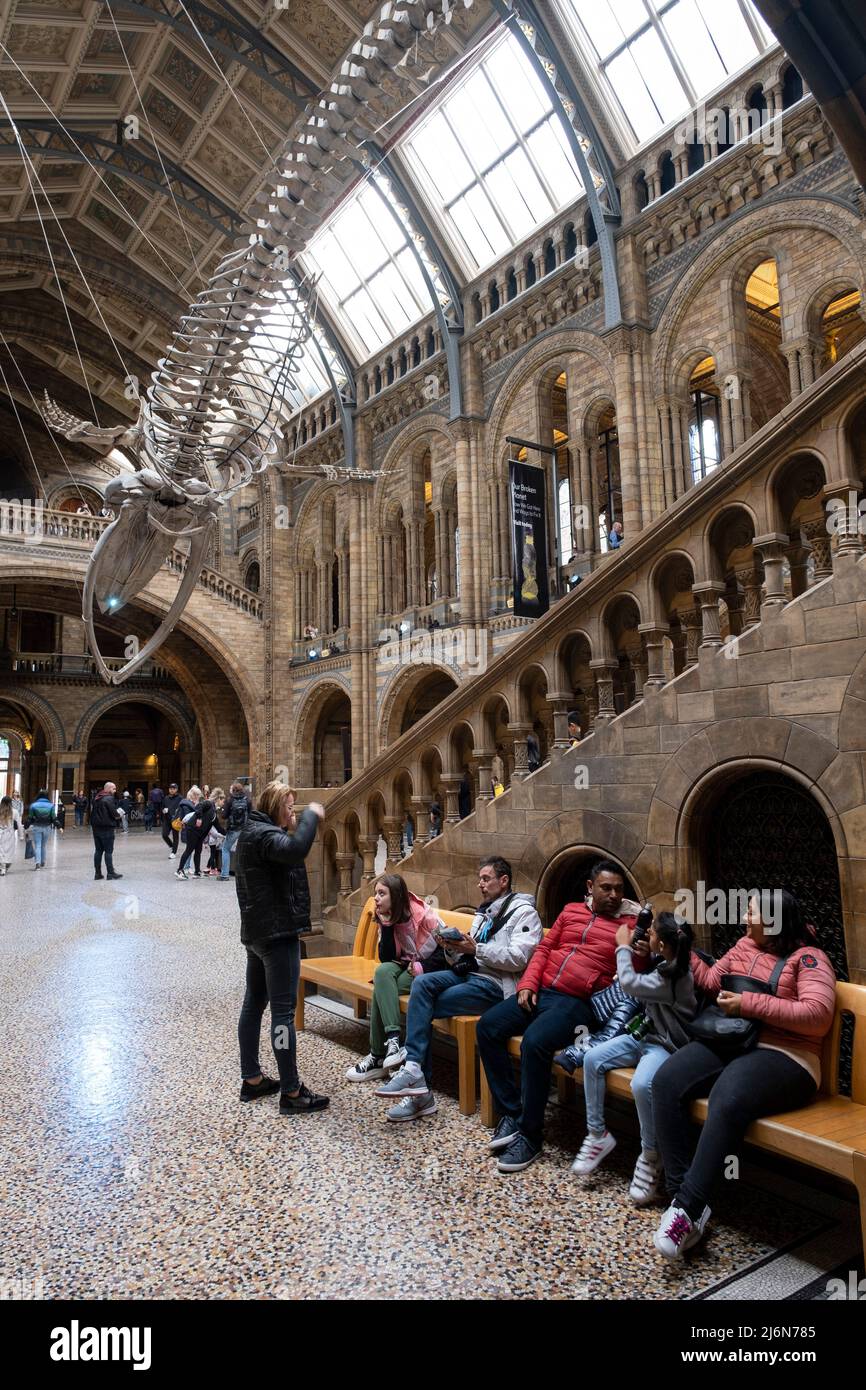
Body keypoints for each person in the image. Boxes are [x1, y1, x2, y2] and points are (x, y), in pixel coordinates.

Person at [651, 889, 836, 1259]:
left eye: (751, 913)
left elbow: (818, 1016)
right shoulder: (743, 945)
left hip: (787, 1054)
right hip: (735, 1039)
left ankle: (687, 1208)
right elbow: (711, 981)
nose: (745, 919)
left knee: (727, 1094)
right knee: (667, 1081)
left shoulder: (809, 958)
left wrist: (748, 1004)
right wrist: (682, 949)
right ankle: (683, 1197)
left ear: (773, 922)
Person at [476, 860, 640, 1172]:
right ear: (591, 888)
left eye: (619, 889)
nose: (614, 895)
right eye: (606, 888)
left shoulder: (628, 926)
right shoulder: (571, 912)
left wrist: (640, 948)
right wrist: (527, 983)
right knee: (488, 1027)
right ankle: (512, 1111)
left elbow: (637, 971)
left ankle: (530, 1136)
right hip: (543, 991)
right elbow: (544, 950)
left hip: (580, 1004)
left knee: (534, 1043)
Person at [375, 857, 543, 1122]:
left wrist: (476, 948)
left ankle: (419, 1089)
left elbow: (518, 957)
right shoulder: (484, 913)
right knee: (422, 983)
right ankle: (415, 1070)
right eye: (479, 879)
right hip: (471, 975)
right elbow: (466, 958)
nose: (480, 884)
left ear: (504, 881)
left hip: (496, 986)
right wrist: (451, 947)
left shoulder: (524, 913)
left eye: (486, 879)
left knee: (422, 1006)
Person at [569, 912, 697, 1205]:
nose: (646, 935)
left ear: (663, 944)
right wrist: (647, 957)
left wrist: (623, 947)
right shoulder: (667, 963)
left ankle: (651, 1155)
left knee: (642, 1085)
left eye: (651, 933)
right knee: (592, 1059)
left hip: (666, 1046)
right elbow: (643, 981)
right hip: (644, 1037)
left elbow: (628, 983)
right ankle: (597, 1134)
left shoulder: (676, 978)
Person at [236, 781, 327, 1115]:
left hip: (256, 935)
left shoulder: (250, 832)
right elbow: (296, 850)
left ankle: (253, 1078)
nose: (294, 812)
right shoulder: (266, 835)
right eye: (290, 807)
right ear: (276, 807)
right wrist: (312, 816)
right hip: (277, 936)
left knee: (253, 1005)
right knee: (283, 1015)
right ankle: (290, 1091)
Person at [346, 875, 442, 1082]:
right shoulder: (386, 916)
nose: (376, 899)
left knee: (382, 988)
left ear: (396, 896)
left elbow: (447, 948)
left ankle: (377, 1057)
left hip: (427, 970)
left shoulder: (422, 914)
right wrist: (387, 925)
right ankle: (393, 1042)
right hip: (402, 966)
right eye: (375, 894)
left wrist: (421, 966)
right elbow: (386, 957)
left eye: (382, 894)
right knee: (382, 974)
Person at [176, 793, 214, 880]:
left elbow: (211, 826)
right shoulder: (209, 804)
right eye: (222, 801)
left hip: (199, 833)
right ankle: (179, 870)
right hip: (192, 829)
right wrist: (199, 818)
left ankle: (197, 872)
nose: (223, 804)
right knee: (189, 850)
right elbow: (199, 807)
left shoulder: (214, 813)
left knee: (198, 851)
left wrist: (224, 834)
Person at [90, 782, 123, 880]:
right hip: (107, 828)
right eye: (114, 789)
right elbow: (114, 813)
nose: (115, 791)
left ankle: (97, 873)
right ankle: (110, 873)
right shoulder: (109, 798)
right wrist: (119, 814)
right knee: (108, 851)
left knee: (98, 850)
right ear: (108, 789)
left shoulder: (96, 798)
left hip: (96, 828)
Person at [220, 781, 251, 881]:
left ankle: (224, 875)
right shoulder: (247, 800)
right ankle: (244, 874)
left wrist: (222, 810)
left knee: (225, 849)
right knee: (243, 851)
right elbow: (251, 814)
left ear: (233, 790)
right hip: (245, 829)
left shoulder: (230, 800)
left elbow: (224, 816)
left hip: (233, 829)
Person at [26, 788, 56, 870]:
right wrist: (59, 826)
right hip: (47, 827)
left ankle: (37, 864)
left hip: (37, 827)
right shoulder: (51, 805)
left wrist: (26, 826)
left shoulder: (33, 805)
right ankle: (43, 861)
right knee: (43, 845)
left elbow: (30, 818)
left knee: (38, 845)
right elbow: (53, 818)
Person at [0, 795, 22, 875]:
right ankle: (4, 867)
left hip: (1, 832)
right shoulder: (14, 811)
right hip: (10, 834)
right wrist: (21, 835)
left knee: (1, 850)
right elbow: (19, 824)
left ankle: (2, 867)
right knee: (8, 851)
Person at [162, 782, 182, 858]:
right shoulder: (166, 798)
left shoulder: (180, 798)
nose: (172, 790)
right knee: (164, 835)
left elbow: (181, 808)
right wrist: (163, 810)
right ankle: (172, 845)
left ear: (176, 789)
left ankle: (174, 852)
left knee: (175, 836)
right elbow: (162, 807)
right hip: (167, 819)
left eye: (174, 789)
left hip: (175, 820)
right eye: (170, 789)